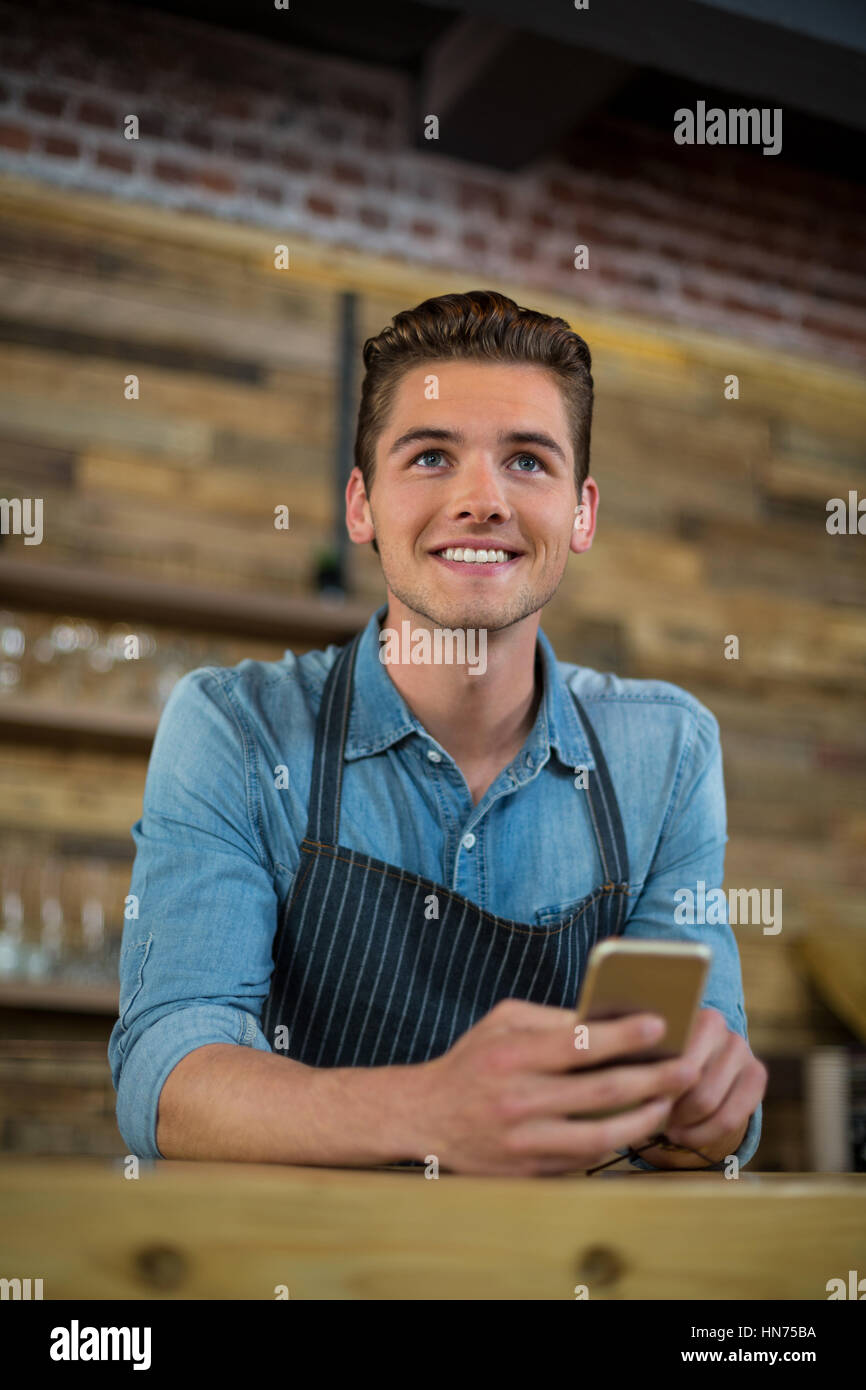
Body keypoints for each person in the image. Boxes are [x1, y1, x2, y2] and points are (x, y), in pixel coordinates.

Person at [109, 289, 766, 1175]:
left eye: (528, 461)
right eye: (429, 456)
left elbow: (692, 1141)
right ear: (361, 505)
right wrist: (431, 1112)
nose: (480, 500)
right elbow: (167, 1073)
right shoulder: (235, 728)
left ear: (582, 514)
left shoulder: (670, 753)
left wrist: (714, 1112)